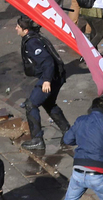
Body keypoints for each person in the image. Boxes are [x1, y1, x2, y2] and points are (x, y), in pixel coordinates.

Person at [15, 15, 69, 150]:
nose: (15, 28)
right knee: (48, 103)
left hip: (51, 77)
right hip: (55, 76)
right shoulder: (33, 36)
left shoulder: (32, 43)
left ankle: (37, 140)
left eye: (18, 27)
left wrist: (46, 80)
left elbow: (48, 62)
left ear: (25, 30)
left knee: (31, 104)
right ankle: (68, 132)